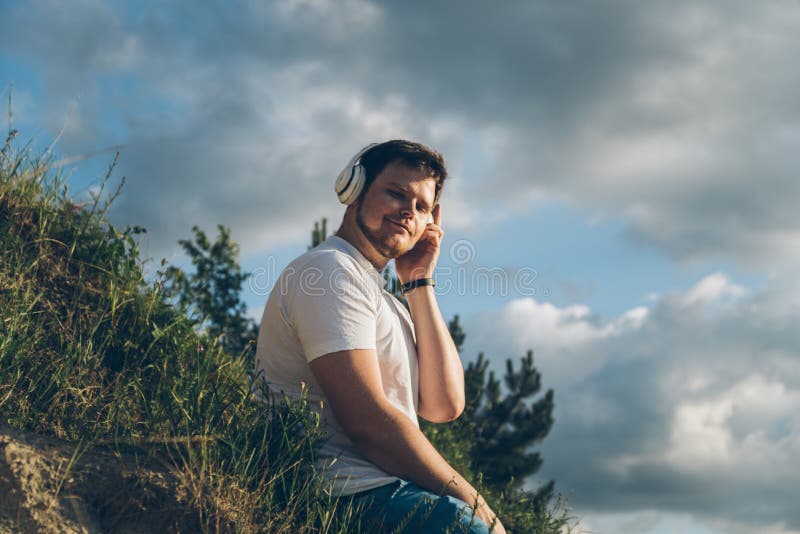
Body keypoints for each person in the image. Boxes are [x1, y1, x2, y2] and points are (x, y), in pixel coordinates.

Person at [254, 140, 506, 533]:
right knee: (462, 524)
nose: (409, 211)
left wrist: (418, 280)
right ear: (353, 191)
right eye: (396, 193)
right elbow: (368, 422)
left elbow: (445, 404)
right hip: (337, 496)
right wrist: (470, 497)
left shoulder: (385, 299)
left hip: (381, 490)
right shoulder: (330, 271)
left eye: (422, 207)